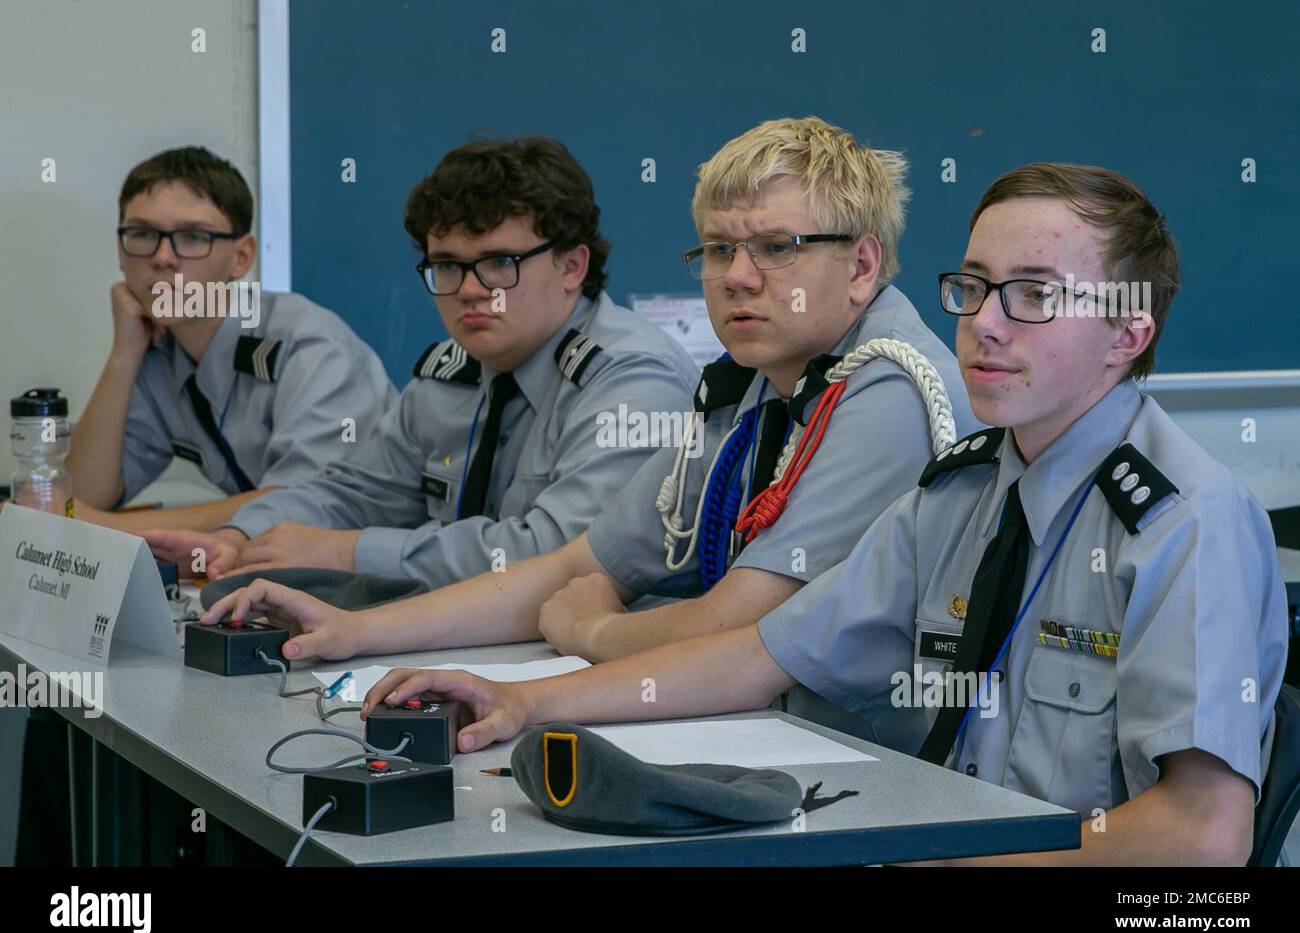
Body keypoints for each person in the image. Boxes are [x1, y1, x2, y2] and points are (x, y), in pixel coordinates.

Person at [222, 162, 1285, 866]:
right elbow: (762, 653)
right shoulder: (966, 488)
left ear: (1127, 331)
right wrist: (533, 706)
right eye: (973, 287)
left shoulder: (1187, 519)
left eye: (1035, 296)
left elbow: (1199, 838)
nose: (987, 325)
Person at [201, 117, 976, 742]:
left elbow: (741, 620)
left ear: (863, 266)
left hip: (875, 775)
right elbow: (571, 562)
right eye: (717, 248)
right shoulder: (756, 386)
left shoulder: (888, 389)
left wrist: (595, 631)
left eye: (777, 248)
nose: (737, 275)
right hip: (753, 732)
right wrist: (357, 631)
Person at [148, 136, 698, 586]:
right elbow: (354, 492)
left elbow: (556, 556)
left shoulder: (631, 378)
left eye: (499, 263)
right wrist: (240, 538)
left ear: (572, 265)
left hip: (607, 675)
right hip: (468, 652)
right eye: (447, 266)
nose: (469, 291)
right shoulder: (451, 373)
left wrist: (350, 553)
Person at [67, 146, 396, 533]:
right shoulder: (158, 352)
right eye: (142, 234)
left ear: (241, 257)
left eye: (192, 237)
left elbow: (300, 504)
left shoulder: (309, 346)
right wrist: (124, 354)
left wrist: (109, 528)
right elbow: (83, 495)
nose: (162, 257)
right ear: (121, 253)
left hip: (386, 574)